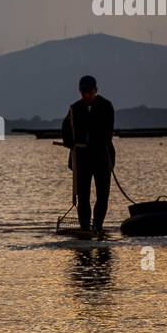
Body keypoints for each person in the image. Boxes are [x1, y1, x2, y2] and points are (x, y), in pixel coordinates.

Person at [60, 74, 115, 232]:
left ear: (95, 90)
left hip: (102, 158)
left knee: (102, 196)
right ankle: (85, 226)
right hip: (81, 160)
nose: (86, 95)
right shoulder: (74, 109)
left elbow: (107, 132)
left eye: (89, 92)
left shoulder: (106, 106)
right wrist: (70, 142)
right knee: (83, 196)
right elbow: (66, 130)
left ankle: (98, 225)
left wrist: (92, 141)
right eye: (83, 92)